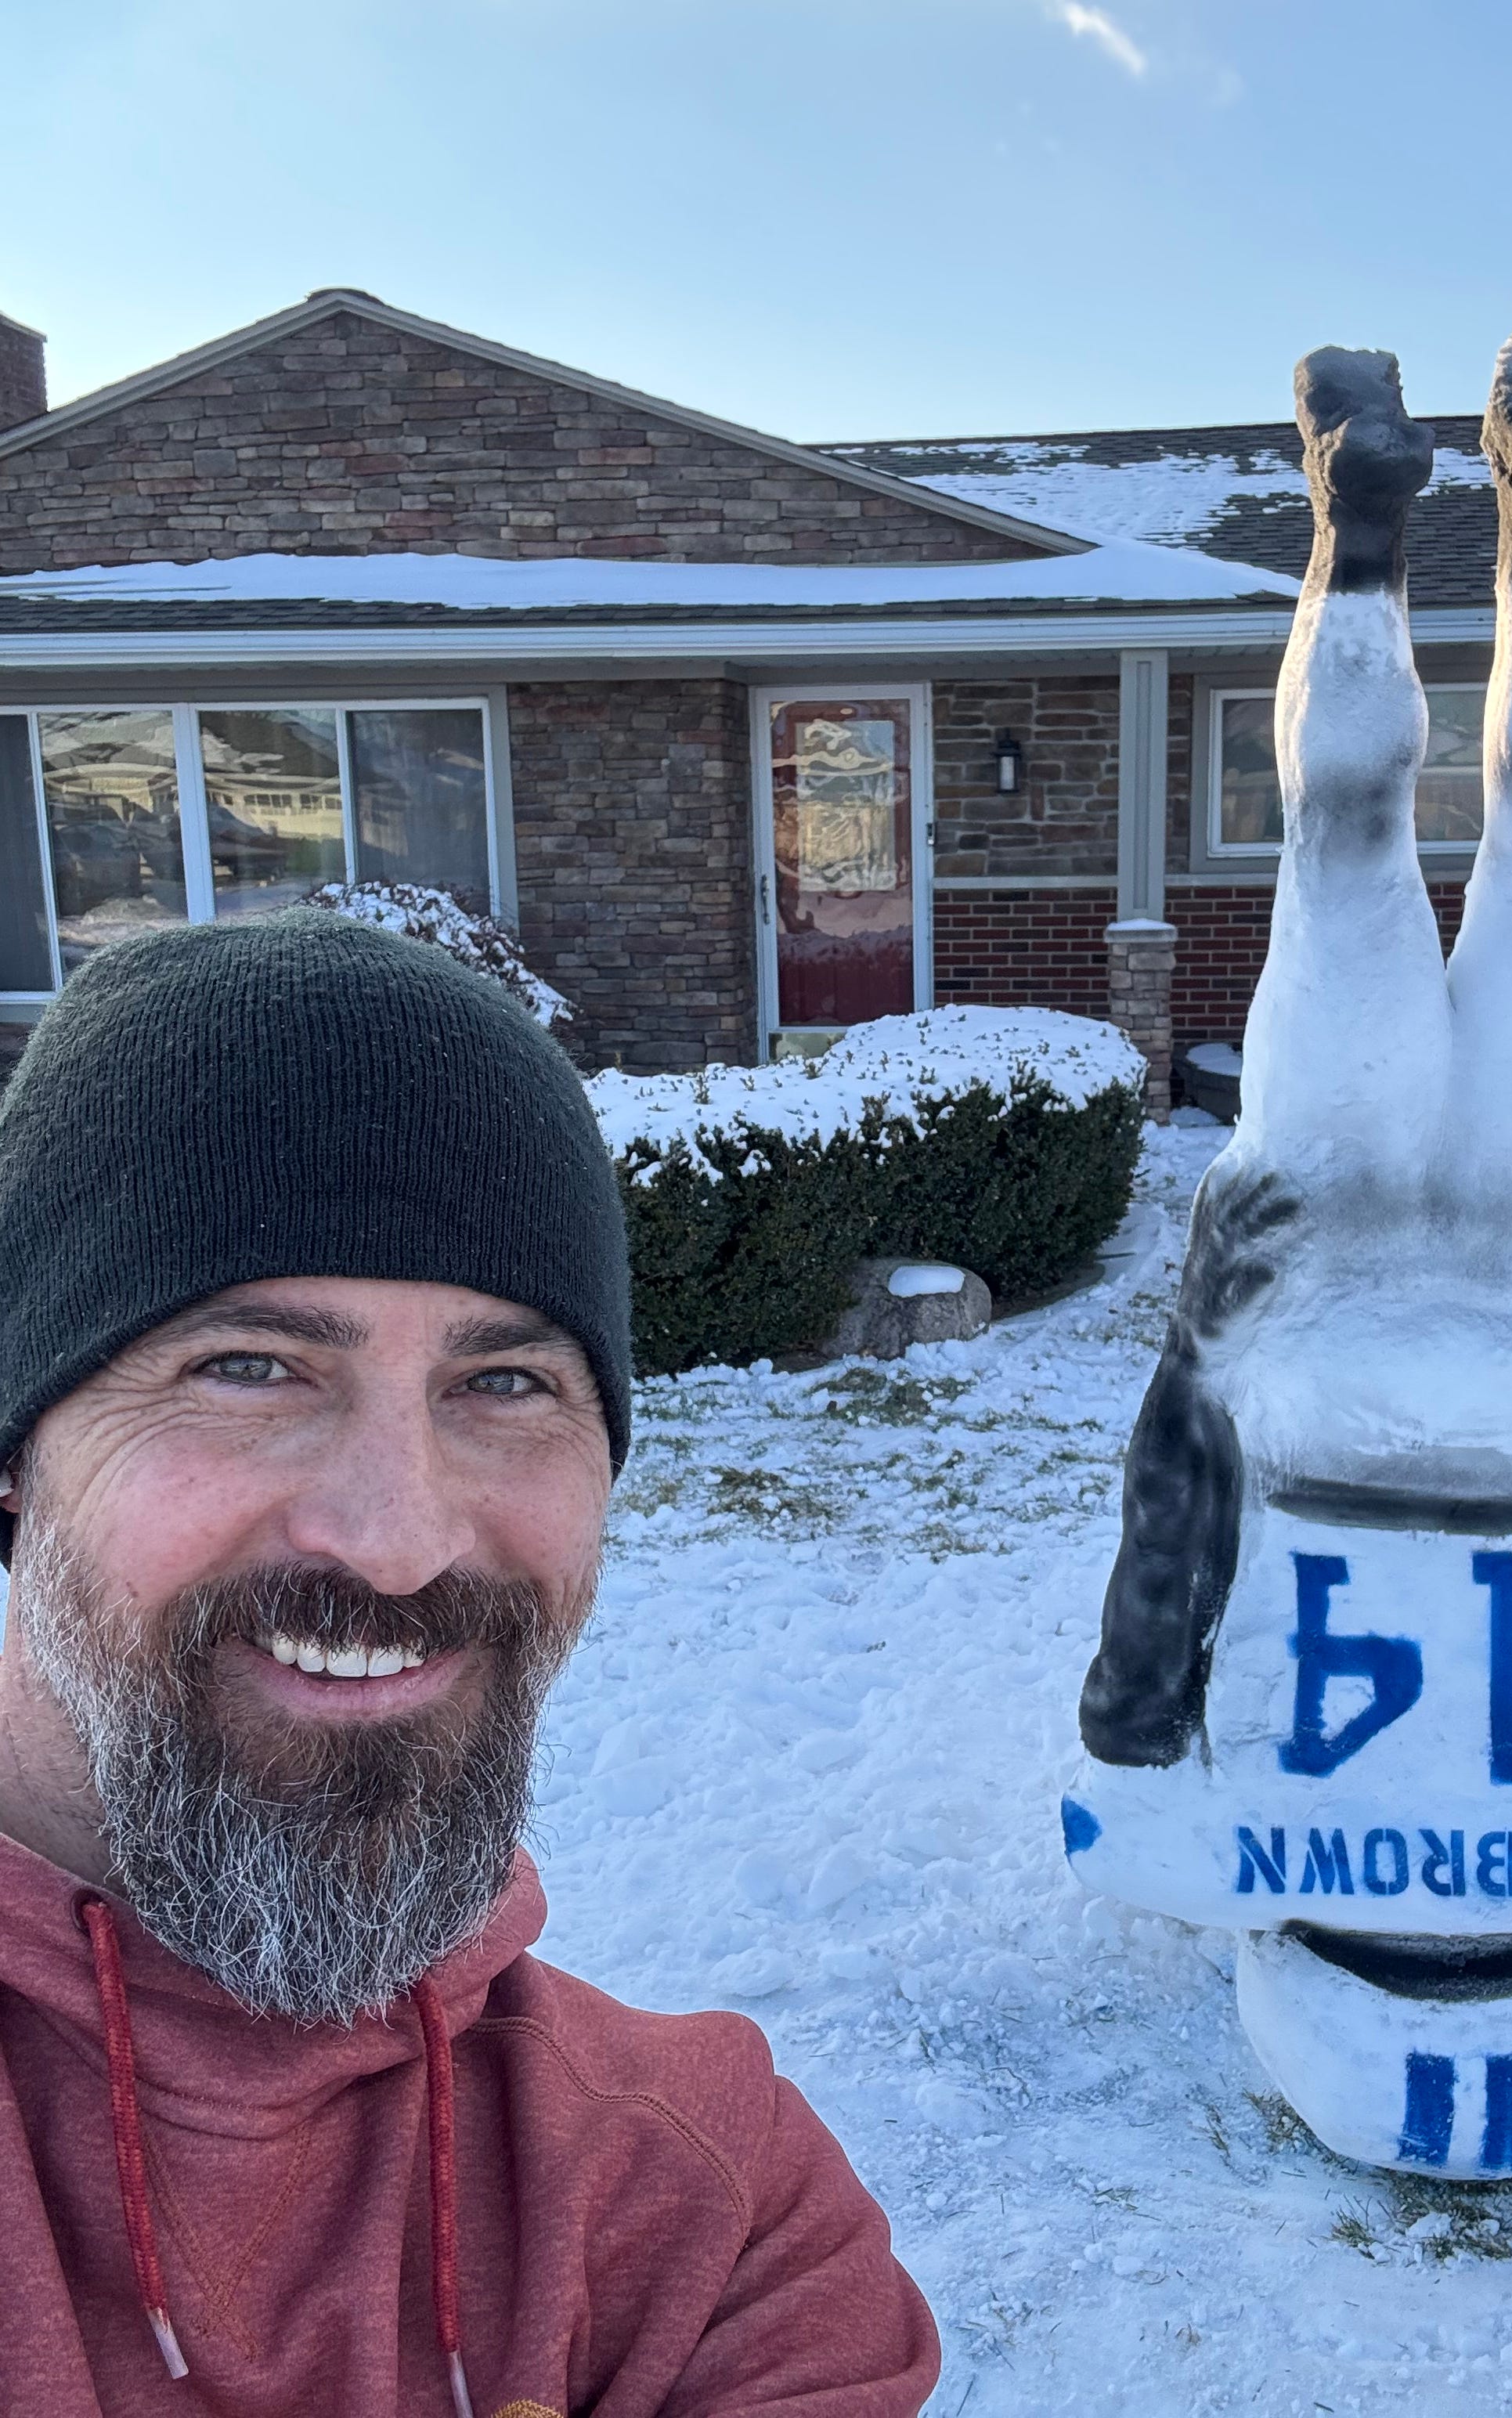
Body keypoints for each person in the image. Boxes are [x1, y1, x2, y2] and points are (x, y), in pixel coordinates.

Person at [0, 909, 939, 2418]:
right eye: (248, 1367)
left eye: (504, 1382)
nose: (397, 1540)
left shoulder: (700, 2211)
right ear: (19, 1452)